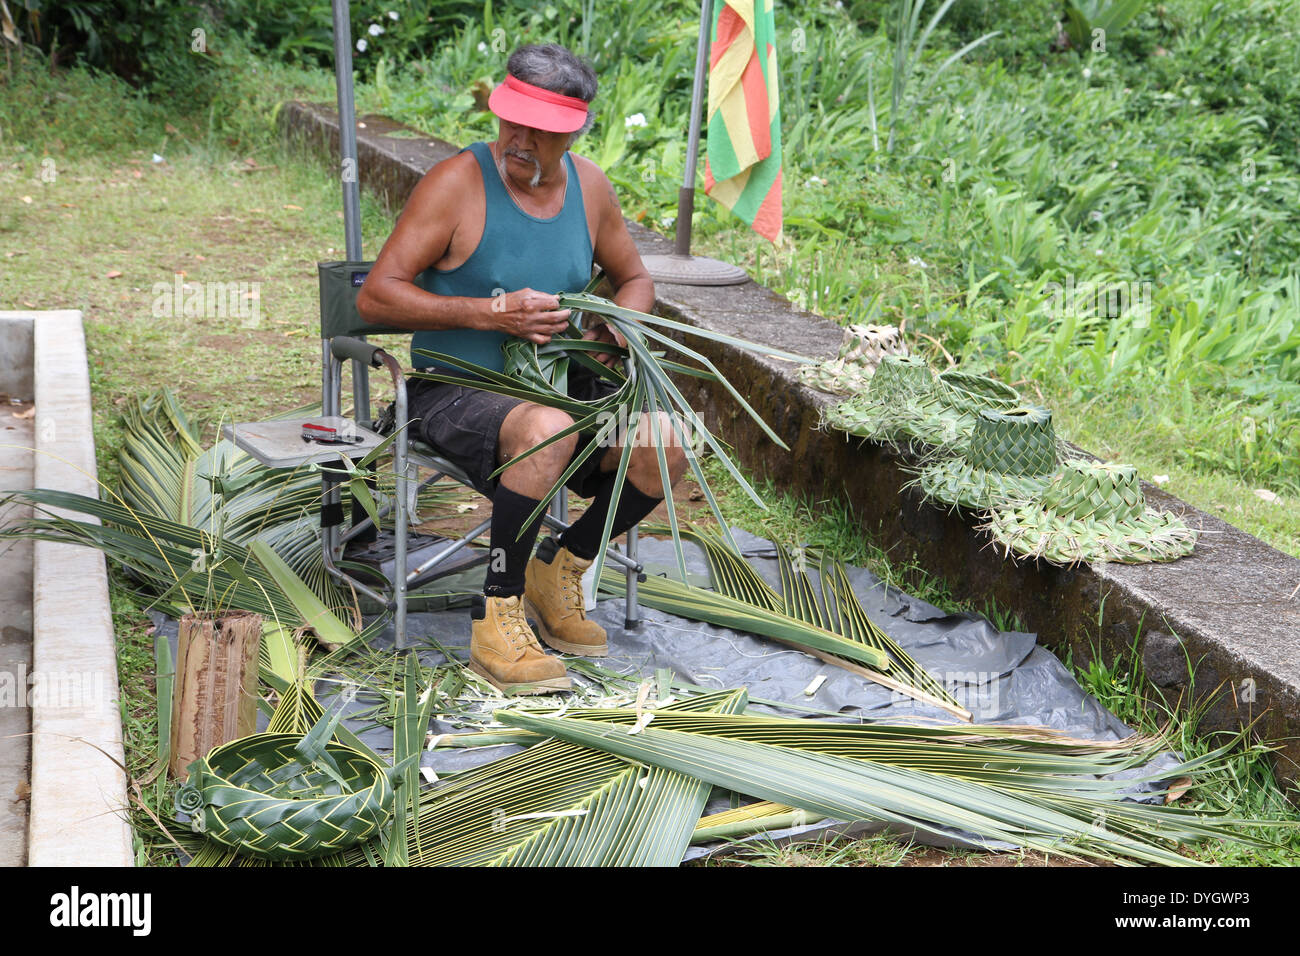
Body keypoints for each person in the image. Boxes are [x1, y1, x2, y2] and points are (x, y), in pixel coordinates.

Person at [357, 43, 687, 694]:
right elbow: (376, 294)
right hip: (454, 391)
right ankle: (498, 611)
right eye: (512, 121)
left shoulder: (590, 188)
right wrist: (489, 314)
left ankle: (560, 565)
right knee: (549, 428)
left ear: (573, 133)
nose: (521, 140)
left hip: (559, 387)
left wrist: (621, 320)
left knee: (666, 441)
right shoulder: (456, 183)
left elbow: (636, 278)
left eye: (541, 131)